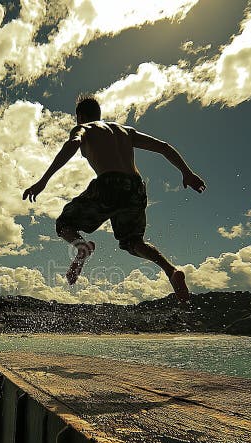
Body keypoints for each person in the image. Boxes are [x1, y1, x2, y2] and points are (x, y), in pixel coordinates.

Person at [22, 95, 206, 302]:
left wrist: (43, 181)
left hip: (109, 183)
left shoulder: (84, 128)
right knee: (133, 241)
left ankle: (82, 247)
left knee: (64, 223)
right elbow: (163, 146)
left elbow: (73, 143)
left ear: (80, 116)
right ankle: (170, 270)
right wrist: (187, 173)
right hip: (136, 187)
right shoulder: (125, 131)